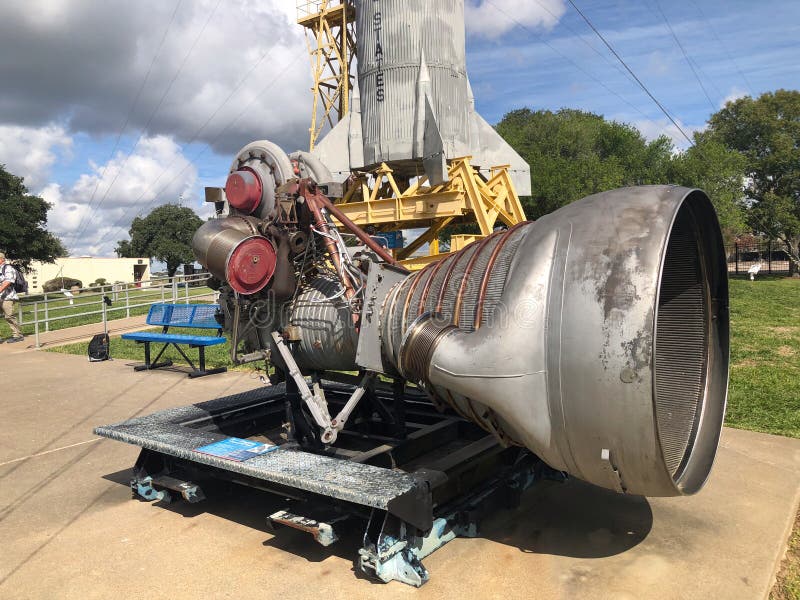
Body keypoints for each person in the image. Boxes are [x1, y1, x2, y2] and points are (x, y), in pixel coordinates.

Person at [0, 252, 24, 343]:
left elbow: (9, 281)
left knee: (9, 316)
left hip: (7, 296)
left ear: (2, 259)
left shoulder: (8, 268)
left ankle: (17, 335)